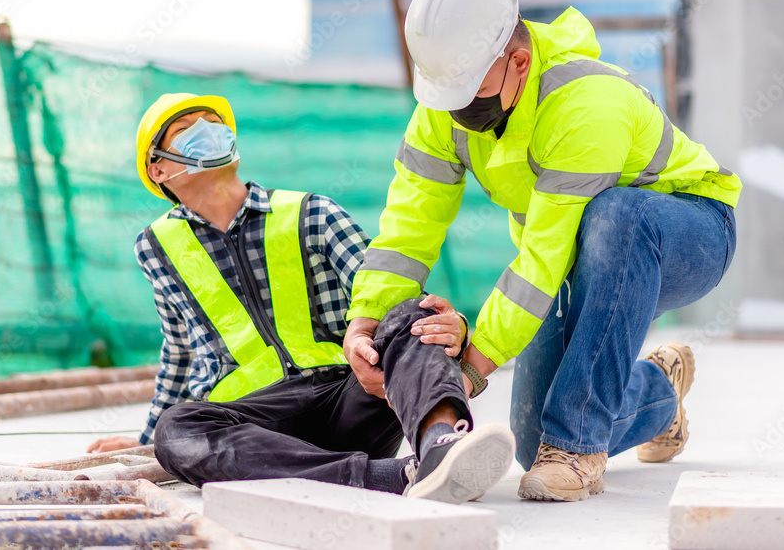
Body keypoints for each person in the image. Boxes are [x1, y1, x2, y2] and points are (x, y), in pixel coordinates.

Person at [344, 0, 741, 502]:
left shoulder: (585, 103)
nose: (461, 110)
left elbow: (543, 257)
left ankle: (578, 449)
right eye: (449, 94)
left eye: (473, 90)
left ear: (519, 62)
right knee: (533, 439)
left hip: (687, 234)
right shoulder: (443, 111)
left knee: (615, 215)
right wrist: (365, 323)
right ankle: (659, 393)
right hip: (579, 257)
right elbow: (407, 227)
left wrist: (470, 367)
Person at [87, 93, 514, 503]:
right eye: (185, 130)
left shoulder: (312, 213)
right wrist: (147, 438)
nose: (207, 132)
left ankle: (440, 446)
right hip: (254, 423)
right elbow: (180, 352)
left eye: (215, 125)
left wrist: (454, 325)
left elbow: (387, 291)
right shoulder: (155, 247)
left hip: (347, 395)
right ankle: (394, 477)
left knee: (408, 311)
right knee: (176, 429)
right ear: (158, 169)